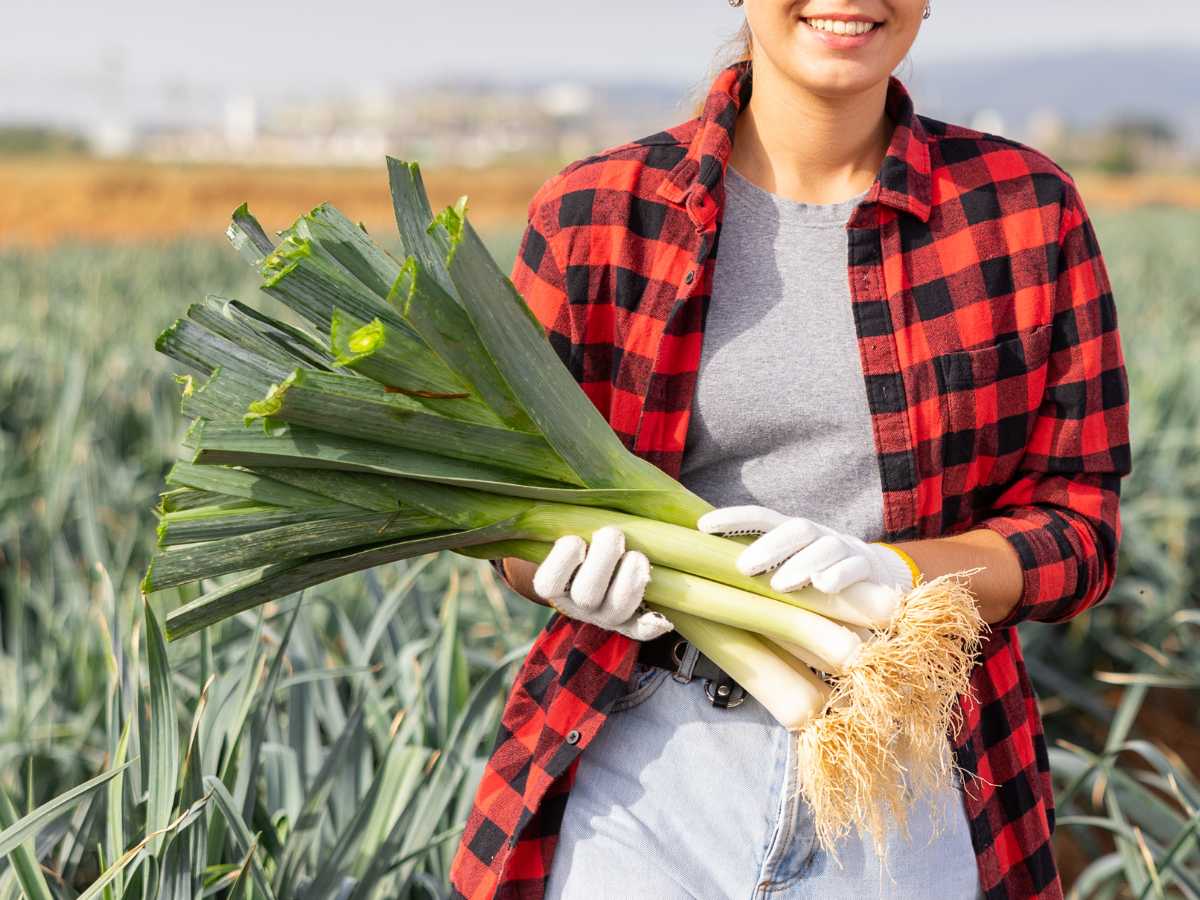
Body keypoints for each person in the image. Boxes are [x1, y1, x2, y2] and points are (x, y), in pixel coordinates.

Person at [449, 1, 1131, 897]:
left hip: (911, 765)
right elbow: (509, 510)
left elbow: (1081, 526)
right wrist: (555, 571)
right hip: (642, 765)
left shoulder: (1024, 212)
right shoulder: (596, 213)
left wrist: (896, 574)